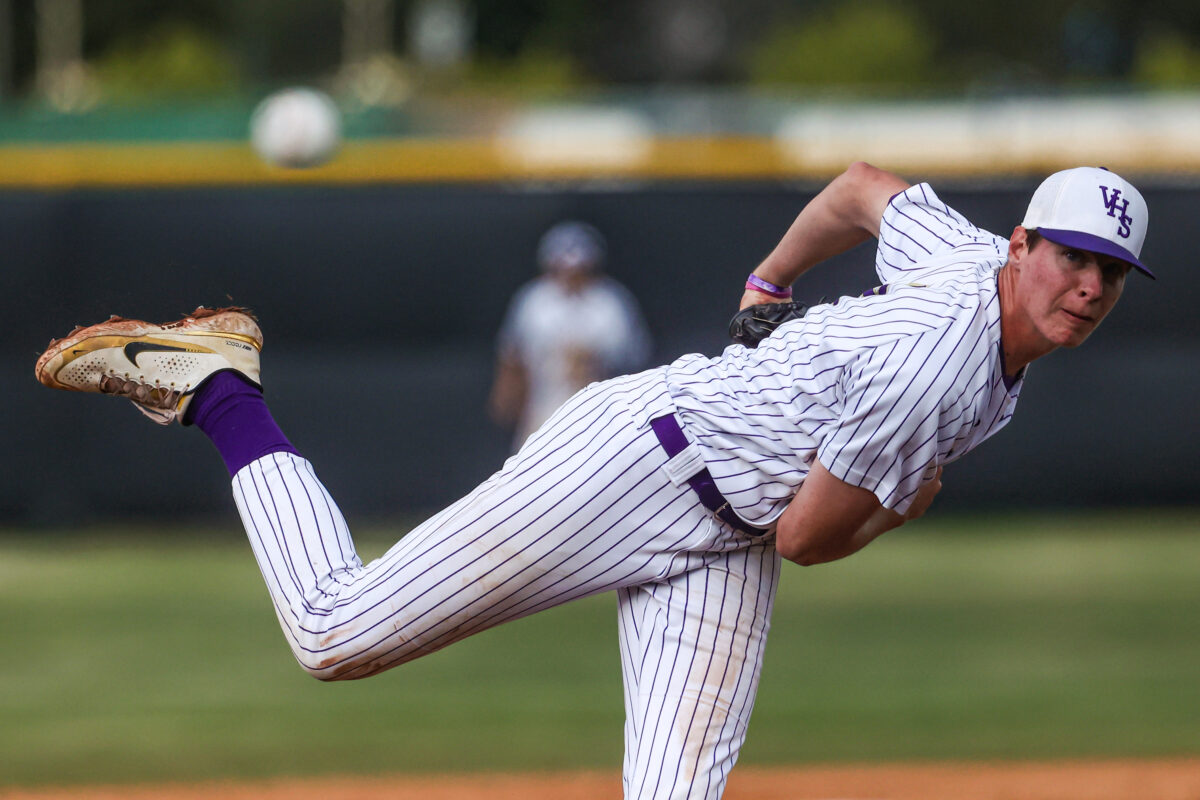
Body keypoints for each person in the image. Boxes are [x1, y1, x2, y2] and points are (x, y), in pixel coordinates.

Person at [35, 162, 1151, 799]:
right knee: (334, 629)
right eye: (1070, 255)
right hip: (645, 461)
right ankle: (222, 384)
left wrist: (770, 278)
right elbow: (816, 536)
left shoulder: (961, 258)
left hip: (725, 529)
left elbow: (862, 189)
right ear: (1021, 245)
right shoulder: (937, 372)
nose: (1088, 285)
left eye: (1110, 270)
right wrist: (907, 502)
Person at [489, 220, 652, 447]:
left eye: (579, 270)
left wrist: (593, 363)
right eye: (563, 268)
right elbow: (512, 356)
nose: (571, 276)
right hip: (542, 411)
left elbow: (635, 362)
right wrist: (506, 394)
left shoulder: (610, 303)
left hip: (600, 414)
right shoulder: (534, 300)